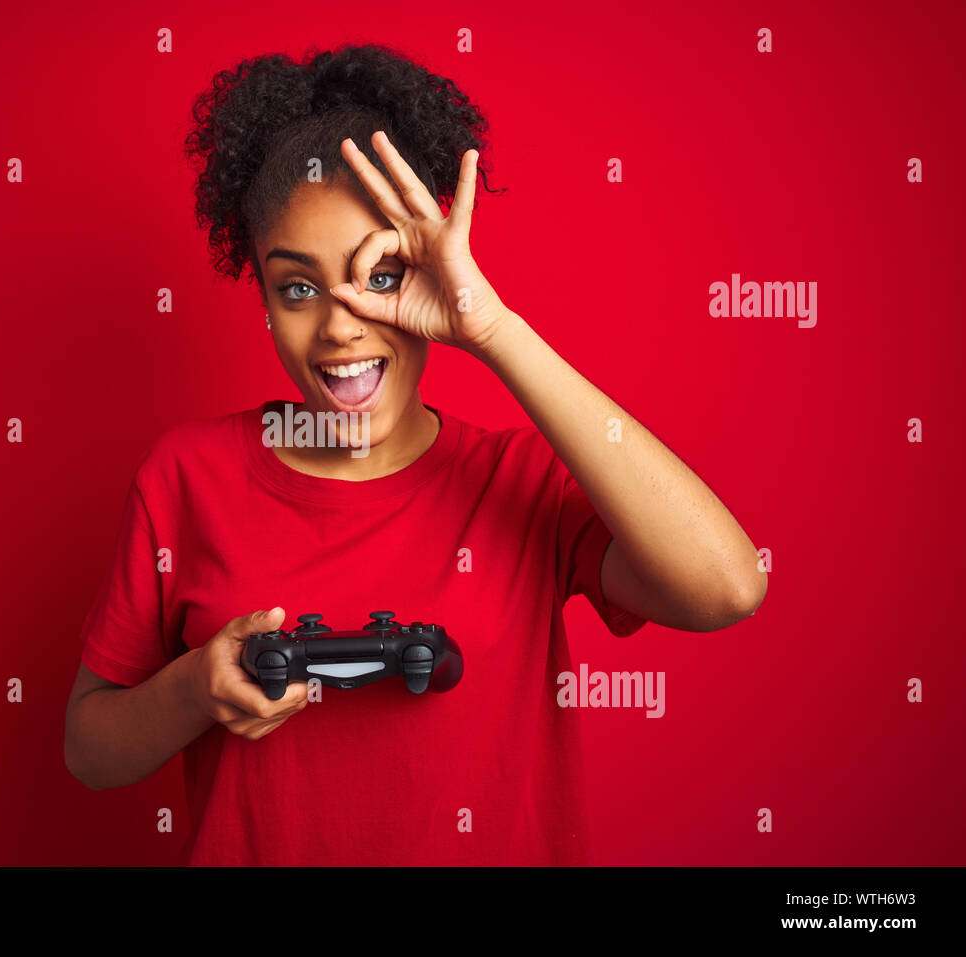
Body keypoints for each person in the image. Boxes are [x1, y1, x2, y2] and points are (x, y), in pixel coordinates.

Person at [63, 43, 766, 865]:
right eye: (297, 288)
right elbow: (89, 749)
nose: (339, 325)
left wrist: (492, 329)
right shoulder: (186, 477)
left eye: (382, 276)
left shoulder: (517, 483)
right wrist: (191, 690)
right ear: (260, 294)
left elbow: (729, 585)